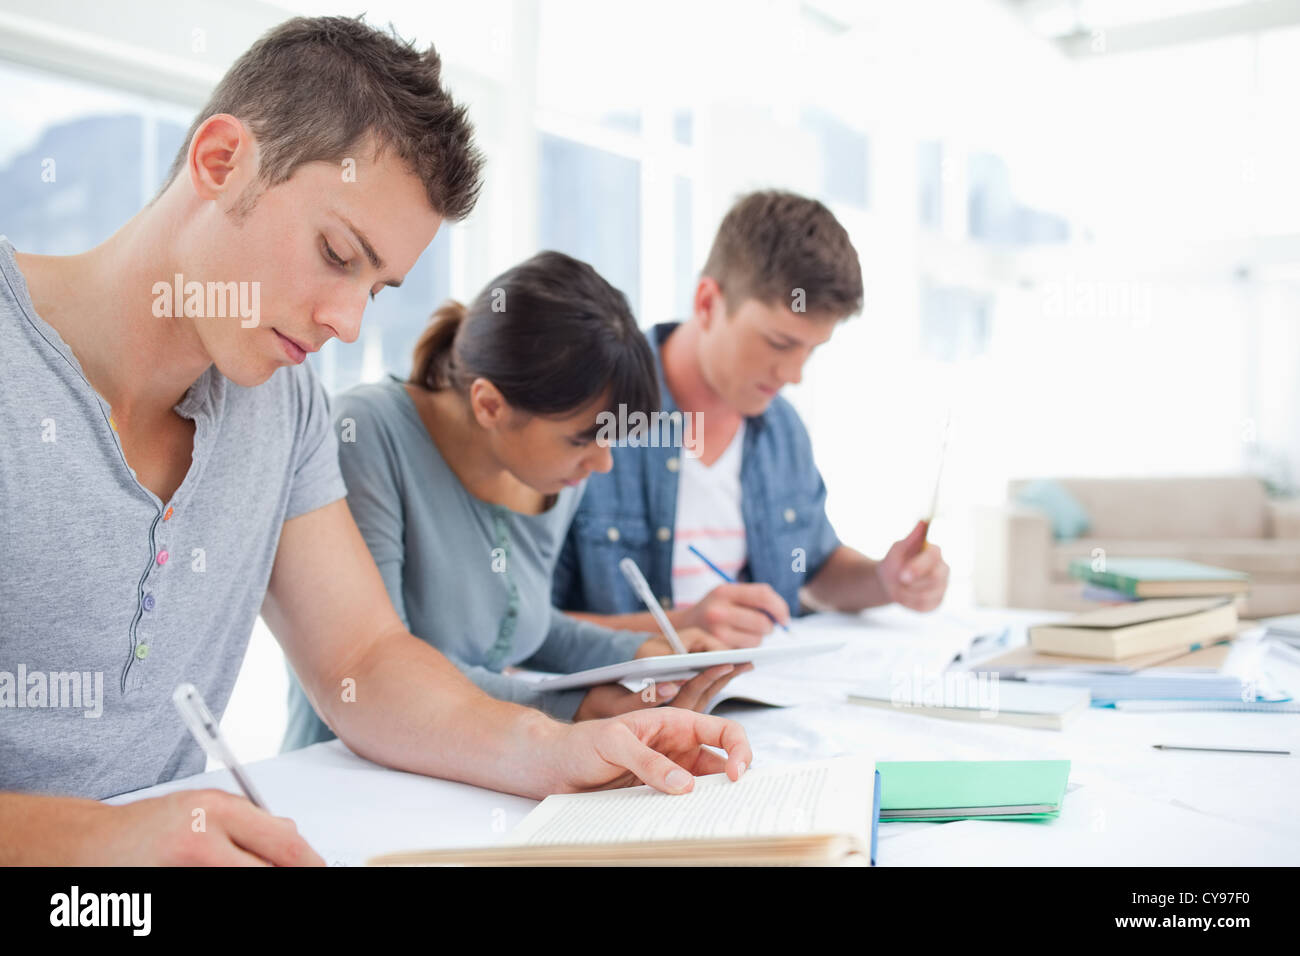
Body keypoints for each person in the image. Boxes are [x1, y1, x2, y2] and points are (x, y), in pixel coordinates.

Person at [0, 15, 750, 867]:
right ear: (220, 162)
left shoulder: (281, 409)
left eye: (379, 285)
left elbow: (362, 657)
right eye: (336, 252)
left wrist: (557, 751)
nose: (348, 324)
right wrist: (97, 839)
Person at [283, 251, 746, 751]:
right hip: (345, 772)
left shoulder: (553, 473)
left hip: (478, 768)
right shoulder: (366, 434)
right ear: (489, 405)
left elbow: (526, 628)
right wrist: (571, 707)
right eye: (582, 440)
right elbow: (383, 668)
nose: (603, 464)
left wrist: (648, 653)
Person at [554, 190, 950, 647]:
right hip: (633, 709)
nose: (794, 374)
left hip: (761, 701)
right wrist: (686, 625)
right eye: (780, 344)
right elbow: (526, 628)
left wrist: (886, 579)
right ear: (707, 303)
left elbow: (815, 569)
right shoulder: (590, 411)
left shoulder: (781, 429)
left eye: (811, 350)